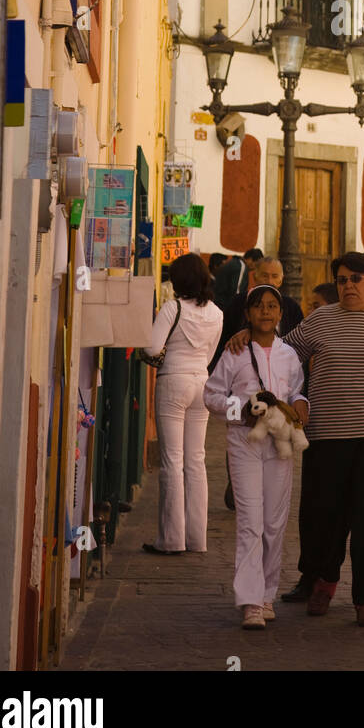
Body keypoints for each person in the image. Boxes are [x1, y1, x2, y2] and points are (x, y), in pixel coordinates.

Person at [227, 251, 364, 626]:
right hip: (326, 436)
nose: (348, 286)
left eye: (356, 279)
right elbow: (280, 352)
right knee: (323, 517)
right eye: (342, 280)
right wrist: (251, 333)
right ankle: (325, 582)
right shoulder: (319, 321)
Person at [204, 285, 309, 630]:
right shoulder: (234, 353)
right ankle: (250, 601)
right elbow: (212, 394)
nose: (265, 312)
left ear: (281, 314)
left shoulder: (289, 355)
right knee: (250, 520)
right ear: (247, 314)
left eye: (272, 306)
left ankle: (267, 595)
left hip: (280, 444)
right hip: (244, 442)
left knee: (275, 523)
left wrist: (300, 406)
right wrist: (240, 410)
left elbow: (297, 390)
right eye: (258, 307)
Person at [142, 253, 223, 554]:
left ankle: (171, 539)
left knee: (172, 462)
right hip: (201, 382)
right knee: (195, 462)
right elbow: (211, 355)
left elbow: (151, 346)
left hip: (173, 381)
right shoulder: (216, 313)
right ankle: (196, 538)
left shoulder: (171, 308)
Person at [219, 256, 303, 509]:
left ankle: (269, 492)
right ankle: (239, 483)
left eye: (275, 276)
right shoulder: (237, 305)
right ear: (254, 276)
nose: (270, 280)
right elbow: (225, 338)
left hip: (279, 394)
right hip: (246, 393)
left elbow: (297, 344)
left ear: (282, 279)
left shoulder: (290, 307)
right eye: (264, 275)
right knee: (243, 437)